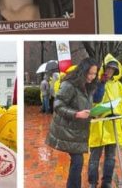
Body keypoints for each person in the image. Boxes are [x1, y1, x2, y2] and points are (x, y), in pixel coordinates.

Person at [45, 58, 98, 188]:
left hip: (78, 130)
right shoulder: (69, 85)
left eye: (95, 73)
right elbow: (58, 105)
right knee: (78, 161)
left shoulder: (88, 86)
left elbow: (84, 105)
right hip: (67, 130)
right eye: (90, 73)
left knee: (77, 161)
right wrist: (76, 114)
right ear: (82, 71)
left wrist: (93, 112)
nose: (92, 76)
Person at [88, 55, 122, 188]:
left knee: (110, 157)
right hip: (98, 125)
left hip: (113, 125)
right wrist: (101, 83)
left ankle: (106, 182)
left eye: (113, 69)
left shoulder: (118, 85)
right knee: (94, 158)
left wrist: (121, 112)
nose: (109, 71)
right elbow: (95, 99)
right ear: (103, 68)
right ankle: (92, 183)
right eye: (108, 68)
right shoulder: (94, 82)